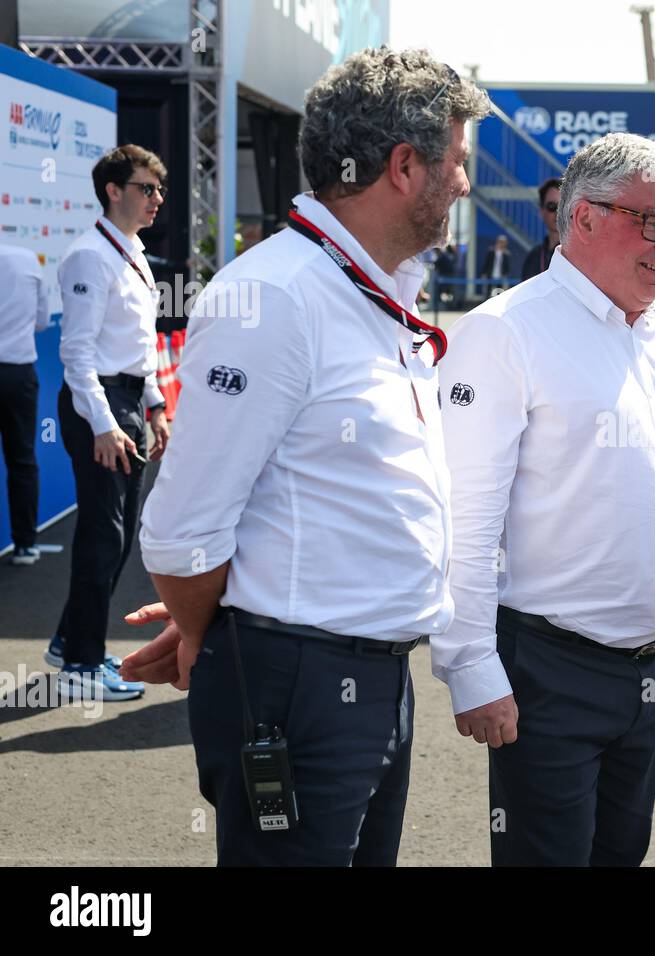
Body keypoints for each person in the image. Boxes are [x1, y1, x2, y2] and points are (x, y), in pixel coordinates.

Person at [120, 48, 491, 866]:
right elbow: (183, 534)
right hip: (301, 686)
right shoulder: (280, 297)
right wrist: (210, 633)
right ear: (404, 166)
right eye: (457, 162)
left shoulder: (364, 292)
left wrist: (209, 629)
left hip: (367, 680)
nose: (463, 183)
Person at [435, 132, 655, 866]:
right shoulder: (504, 332)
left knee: (620, 856)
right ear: (585, 218)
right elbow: (464, 520)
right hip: (547, 670)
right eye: (654, 223)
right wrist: (469, 665)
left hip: (649, 672)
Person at [43, 145, 172, 700]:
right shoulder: (90, 257)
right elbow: (78, 356)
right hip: (96, 407)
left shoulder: (131, 251)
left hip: (124, 403)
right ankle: (80, 664)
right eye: (147, 188)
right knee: (103, 536)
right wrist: (103, 425)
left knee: (116, 538)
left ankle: (72, 640)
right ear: (113, 191)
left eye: (159, 190)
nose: (156, 199)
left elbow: (132, 348)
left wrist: (156, 405)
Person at [0, 244, 50, 566]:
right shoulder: (26, 259)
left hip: (18, 370)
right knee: (22, 460)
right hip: (18, 372)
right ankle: (25, 545)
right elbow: (43, 321)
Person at [520, 177, 561, 281]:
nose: (558, 213)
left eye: (563, 206)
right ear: (541, 211)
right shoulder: (533, 257)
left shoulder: (580, 256)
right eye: (552, 206)